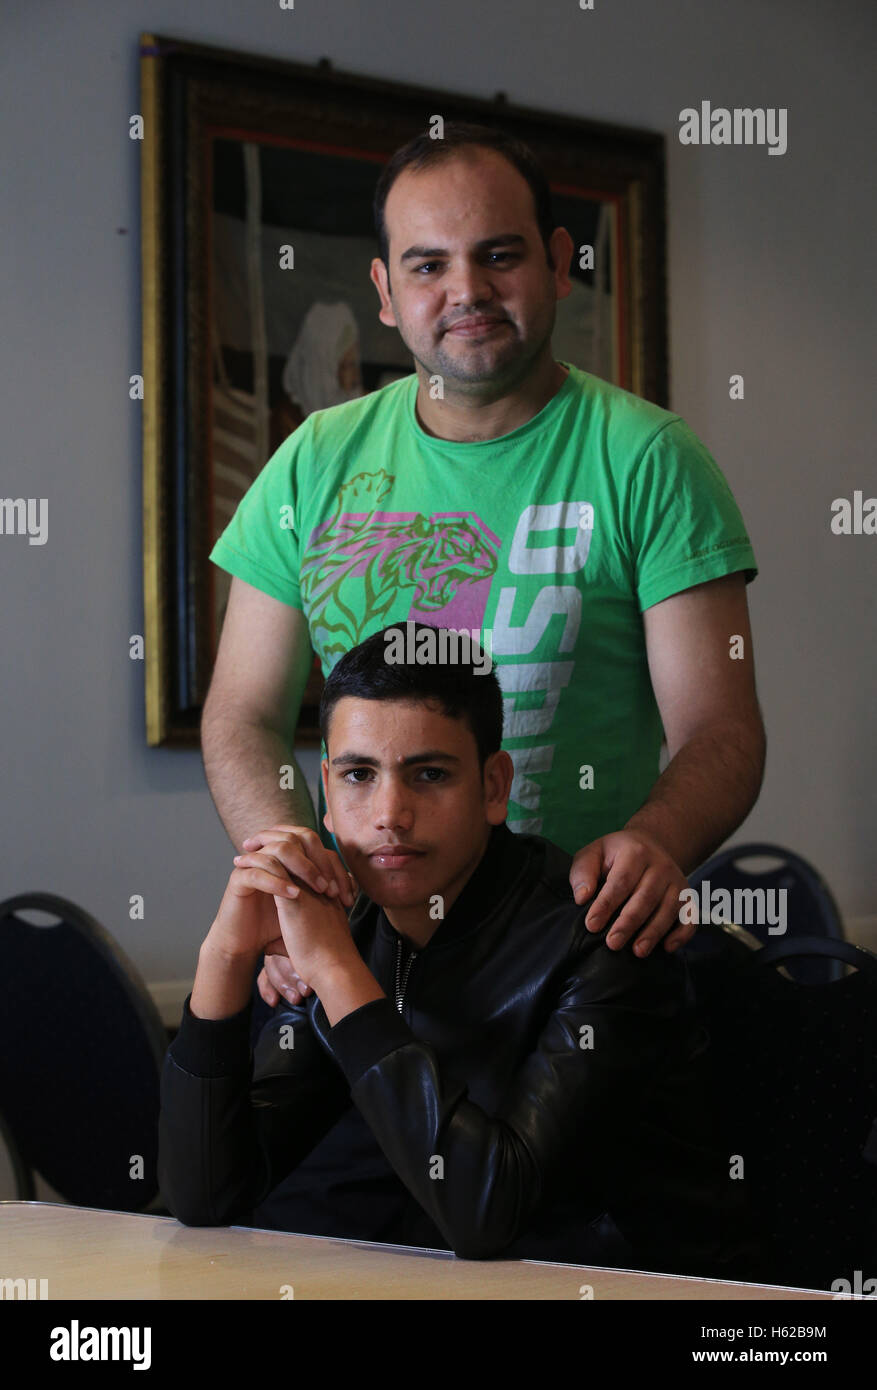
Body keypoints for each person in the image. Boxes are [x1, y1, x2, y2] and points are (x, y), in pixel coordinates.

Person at [201, 121, 765, 1015]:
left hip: (574, 961)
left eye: (497, 255)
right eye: (427, 265)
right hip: (355, 968)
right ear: (385, 291)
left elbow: (720, 731)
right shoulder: (313, 459)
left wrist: (653, 842)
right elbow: (241, 714)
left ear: (554, 262)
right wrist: (293, 878)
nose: (465, 290)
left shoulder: (649, 458)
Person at [160, 625, 756, 1275]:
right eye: (359, 774)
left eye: (430, 774)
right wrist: (223, 959)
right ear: (326, 795)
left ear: (492, 786)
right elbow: (207, 1196)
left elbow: (488, 1213)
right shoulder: (353, 923)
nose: (390, 812)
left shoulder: (599, 938)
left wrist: (334, 970)